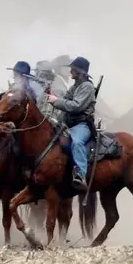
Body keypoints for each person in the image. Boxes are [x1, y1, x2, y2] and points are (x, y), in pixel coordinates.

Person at [48, 56, 95, 190]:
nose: (71, 71)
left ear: (80, 71)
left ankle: (80, 174)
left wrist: (55, 101)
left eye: (73, 69)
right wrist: (53, 96)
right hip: (69, 124)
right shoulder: (76, 86)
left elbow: (76, 106)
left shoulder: (87, 87)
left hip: (81, 125)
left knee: (77, 142)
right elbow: (65, 100)